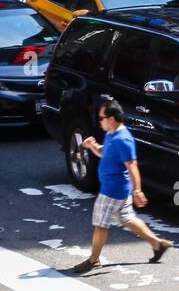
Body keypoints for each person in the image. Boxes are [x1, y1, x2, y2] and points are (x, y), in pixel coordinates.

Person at [69, 99, 173, 274]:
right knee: (127, 218)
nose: (99, 120)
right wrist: (93, 146)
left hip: (113, 190)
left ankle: (94, 260)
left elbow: (132, 165)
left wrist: (138, 190)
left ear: (111, 118)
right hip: (116, 189)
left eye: (101, 117)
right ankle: (158, 244)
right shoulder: (111, 134)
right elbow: (105, 153)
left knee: (101, 224)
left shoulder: (123, 139)